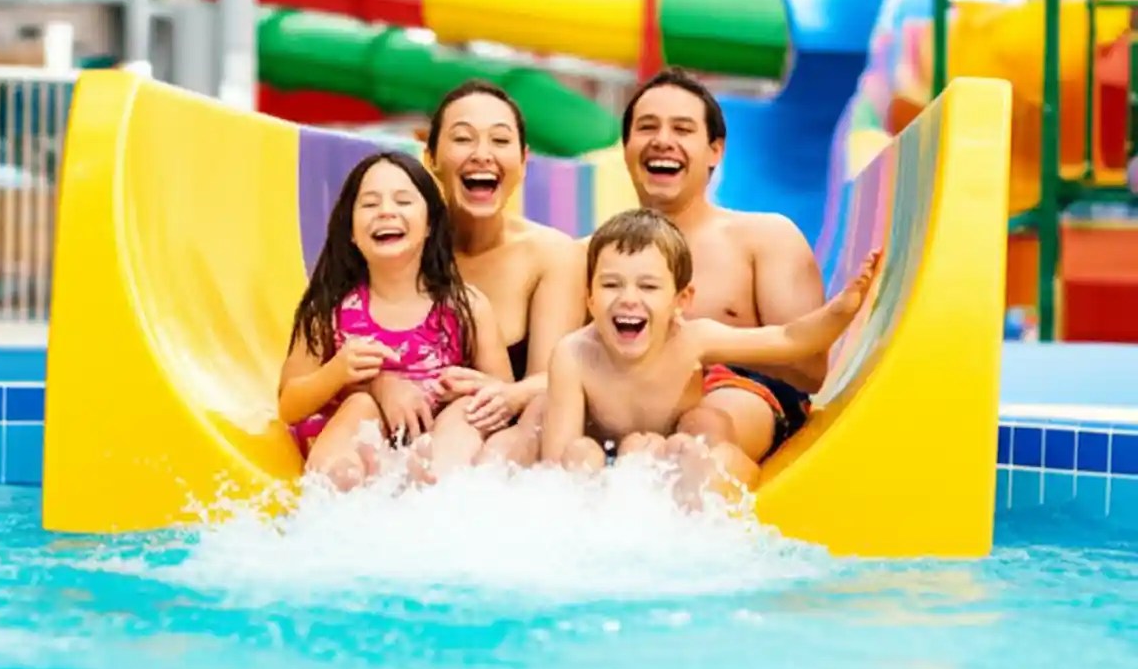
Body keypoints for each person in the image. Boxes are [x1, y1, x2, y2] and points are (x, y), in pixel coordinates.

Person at [542, 209, 880, 507]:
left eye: (648, 287)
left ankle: (718, 501)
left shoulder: (692, 339)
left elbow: (788, 338)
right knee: (583, 455)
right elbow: (554, 464)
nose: (628, 299)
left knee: (694, 446)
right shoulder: (573, 356)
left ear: (681, 301)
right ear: (589, 299)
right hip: (624, 455)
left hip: (681, 446)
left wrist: (841, 309)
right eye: (611, 285)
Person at [619, 67, 830, 477]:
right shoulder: (596, 254)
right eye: (647, 127)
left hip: (740, 398)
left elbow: (812, 370)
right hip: (635, 402)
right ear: (626, 145)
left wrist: (706, 345)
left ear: (715, 150)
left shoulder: (765, 238)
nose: (663, 141)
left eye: (682, 129)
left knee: (702, 429)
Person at [368, 80, 587, 464]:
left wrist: (507, 395)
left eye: (500, 141)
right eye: (463, 139)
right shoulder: (397, 243)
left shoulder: (552, 255)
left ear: (523, 160)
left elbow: (557, 378)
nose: (482, 155)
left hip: (507, 440)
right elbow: (342, 339)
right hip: (408, 427)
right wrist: (382, 384)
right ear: (430, 156)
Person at [277, 151, 513, 491]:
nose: (386, 211)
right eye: (370, 204)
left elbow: (502, 394)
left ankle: (435, 481)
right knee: (359, 403)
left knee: (468, 409)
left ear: (430, 223)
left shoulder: (465, 307)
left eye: (403, 201)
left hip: (436, 435)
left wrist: (475, 386)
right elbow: (289, 404)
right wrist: (337, 372)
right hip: (355, 441)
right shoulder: (329, 310)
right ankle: (339, 481)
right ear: (351, 232)